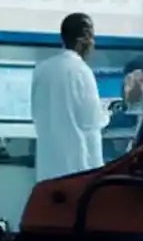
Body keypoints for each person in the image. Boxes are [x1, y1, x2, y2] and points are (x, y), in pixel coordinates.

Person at [31, 13, 110, 182]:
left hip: (48, 170)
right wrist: (107, 112)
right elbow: (91, 120)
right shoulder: (81, 71)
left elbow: (36, 113)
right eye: (92, 37)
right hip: (79, 169)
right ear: (85, 38)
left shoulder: (42, 69)